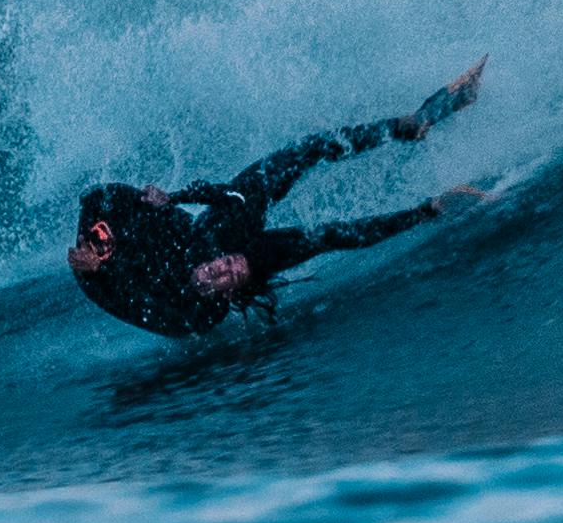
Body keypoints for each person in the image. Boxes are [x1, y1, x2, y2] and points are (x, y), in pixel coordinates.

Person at [68, 63, 487, 342]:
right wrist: (424, 212)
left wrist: (170, 196)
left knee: (303, 152)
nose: (221, 268)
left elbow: (219, 195)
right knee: (325, 235)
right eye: (227, 274)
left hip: (200, 222)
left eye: (221, 266)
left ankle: (409, 126)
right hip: (120, 279)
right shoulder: (194, 313)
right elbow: (339, 237)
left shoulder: (206, 237)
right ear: (229, 293)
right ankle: (427, 210)